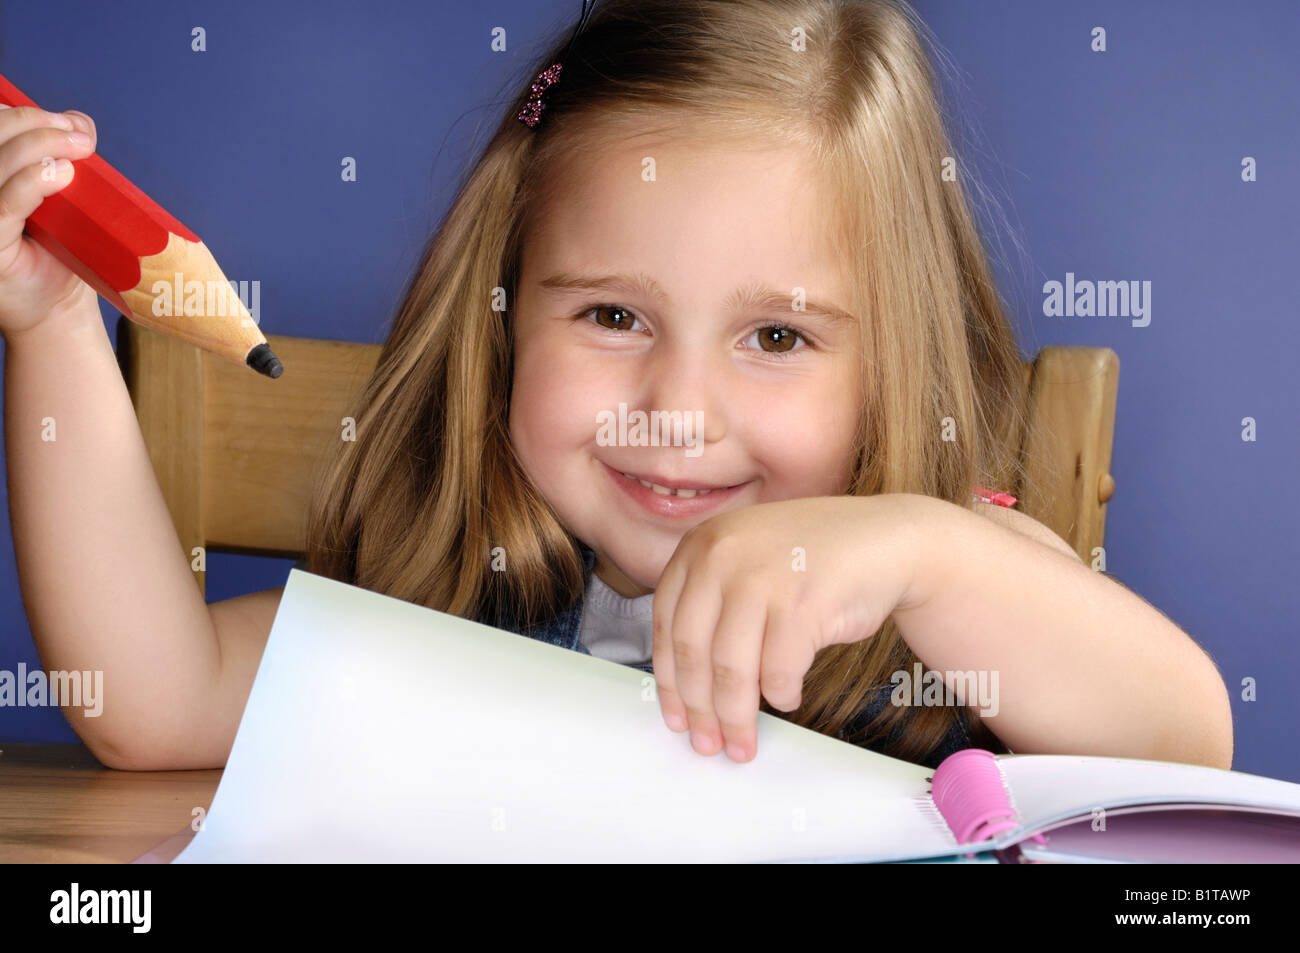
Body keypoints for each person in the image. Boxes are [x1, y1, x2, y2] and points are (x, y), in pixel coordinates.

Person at [1, 0, 1232, 774]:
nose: (675, 408)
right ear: (502, 312)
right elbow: (156, 704)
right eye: (610, 314)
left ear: (891, 366)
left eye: (778, 338)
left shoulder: (949, 608)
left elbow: (1185, 741)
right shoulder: (462, 608)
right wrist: (54, 322)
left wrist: (926, 552)